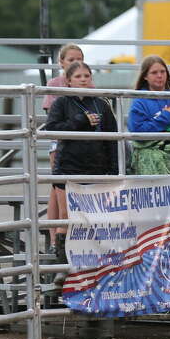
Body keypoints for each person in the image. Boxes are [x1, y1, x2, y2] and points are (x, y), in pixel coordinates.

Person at [45, 61, 119, 260]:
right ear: (68, 81)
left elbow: (113, 138)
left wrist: (113, 170)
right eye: (78, 76)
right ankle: (64, 266)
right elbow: (51, 129)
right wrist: (80, 120)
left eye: (86, 76)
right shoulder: (61, 103)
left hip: (96, 168)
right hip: (68, 166)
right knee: (66, 217)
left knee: (95, 218)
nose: (83, 80)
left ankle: (94, 264)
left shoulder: (101, 103)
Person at [127, 55, 170, 216]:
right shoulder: (140, 101)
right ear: (145, 76)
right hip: (153, 165)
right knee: (156, 214)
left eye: (162, 71)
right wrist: (165, 116)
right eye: (154, 72)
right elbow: (138, 134)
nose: (159, 76)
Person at [42, 43, 84, 242]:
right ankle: (55, 237)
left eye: (79, 59)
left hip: (82, 143)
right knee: (57, 189)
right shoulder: (54, 84)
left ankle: (70, 236)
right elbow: (52, 117)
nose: (76, 63)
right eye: (71, 60)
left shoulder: (87, 82)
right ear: (61, 63)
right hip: (60, 142)